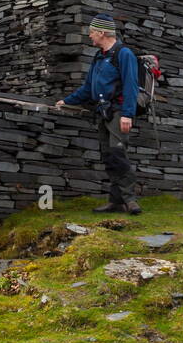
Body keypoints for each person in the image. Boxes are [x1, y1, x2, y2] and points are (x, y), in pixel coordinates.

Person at [54, 13, 141, 214]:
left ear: (102, 32)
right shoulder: (99, 56)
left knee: (118, 153)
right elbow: (88, 88)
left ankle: (130, 200)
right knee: (108, 155)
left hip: (119, 112)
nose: (90, 36)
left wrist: (128, 113)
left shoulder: (124, 54)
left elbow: (131, 86)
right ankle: (116, 201)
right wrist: (67, 101)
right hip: (103, 112)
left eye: (92, 32)